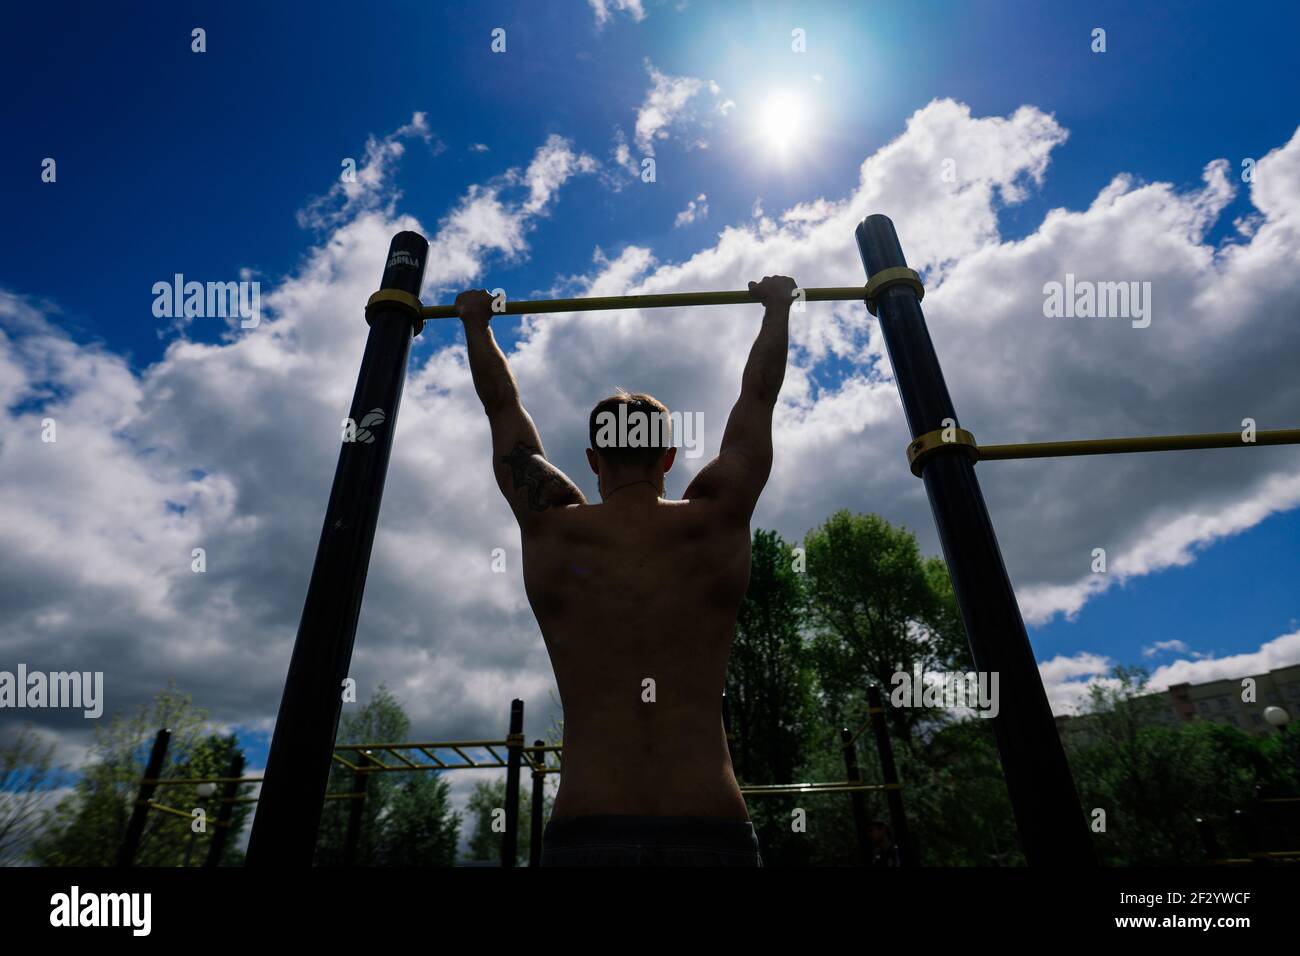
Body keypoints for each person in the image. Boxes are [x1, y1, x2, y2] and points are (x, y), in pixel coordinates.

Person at [455, 276, 798, 866]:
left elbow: (502, 407)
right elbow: (758, 398)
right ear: (669, 456)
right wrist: (776, 308)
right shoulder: (716, 517)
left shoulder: (554, 525)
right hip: (711, 826)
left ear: (591, 461)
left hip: (590, 827)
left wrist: (475, 325)